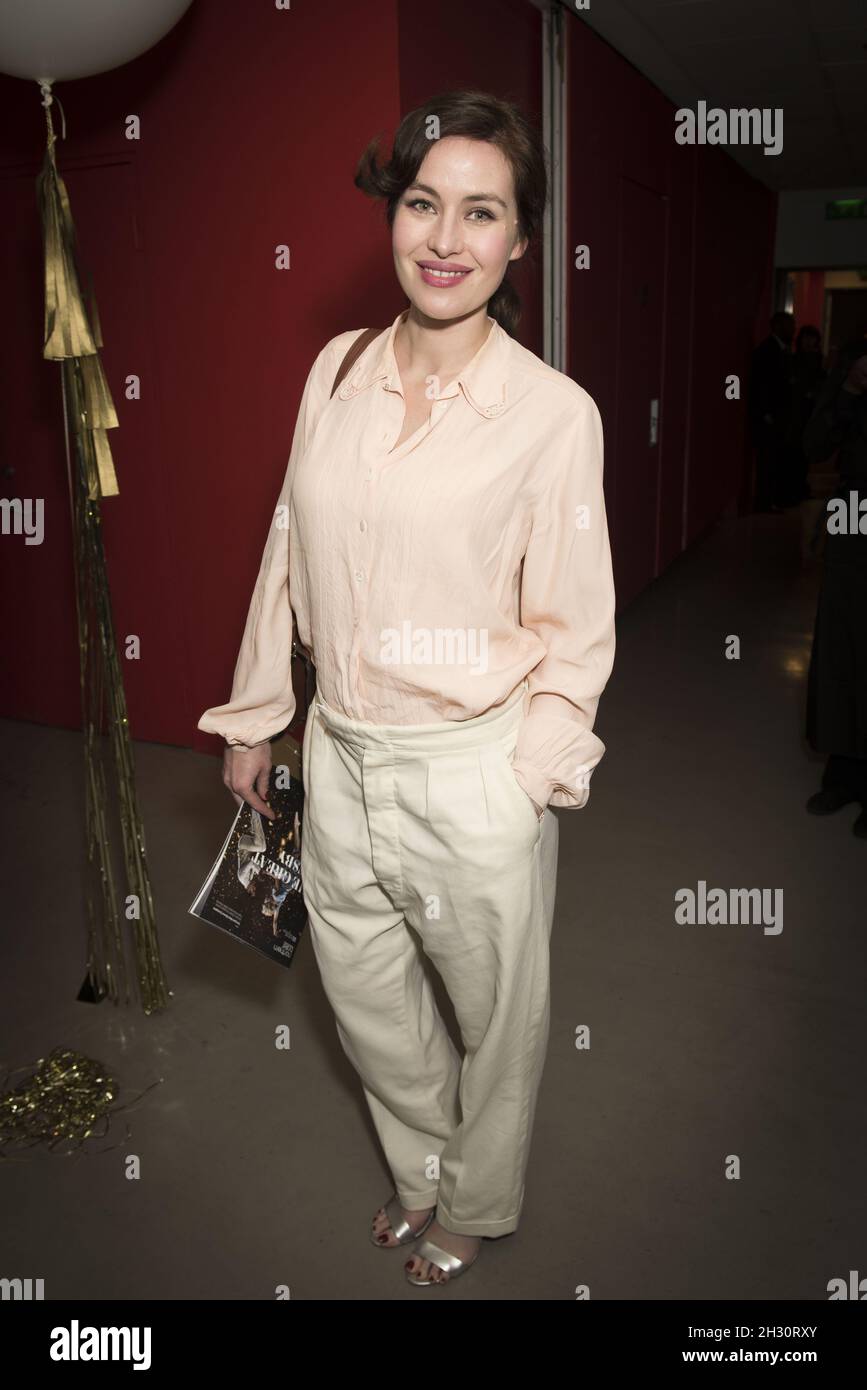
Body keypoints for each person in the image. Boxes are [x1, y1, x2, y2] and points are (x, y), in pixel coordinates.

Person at [198, 90, 617, 1286]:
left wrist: (522, 783)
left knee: (498, 1028)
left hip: (471, 767)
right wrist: (258, 717)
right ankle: (424, 1167)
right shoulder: (335, 368)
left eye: (480, 213)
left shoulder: (553, 416)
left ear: (520, 239)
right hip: (337, 754)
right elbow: (287, 547)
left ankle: (475, 1202)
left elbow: (576, 628)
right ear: (394, 214)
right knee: (368, 1005)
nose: (444, 237)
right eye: (423, 202)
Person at [803, 330, 867, 839]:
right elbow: (814, 444)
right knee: (841, 644)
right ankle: (842, 773)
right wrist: (847, 389)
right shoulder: (853, 361)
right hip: (853, 511)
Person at [747, 310, 795, 512]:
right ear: (776, 326)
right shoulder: (768, 351)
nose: (792, 329)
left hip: (776, 417)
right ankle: (764, 504)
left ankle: (769, 501)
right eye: (788, 325)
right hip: (769, 418)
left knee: (773, 461)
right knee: (767, 462)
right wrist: (767, 413)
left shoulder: (781, 350)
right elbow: (760, 385)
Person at [782, 324, 826, 506]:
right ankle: (791, 492)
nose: (809, 342)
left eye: (812, 338)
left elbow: (821, 384)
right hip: (795, 414)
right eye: (806, 338)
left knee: (803, 455)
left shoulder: (816, 361)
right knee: (793, 454)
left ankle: (799, 489)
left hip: (809, 414)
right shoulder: (793, 360)